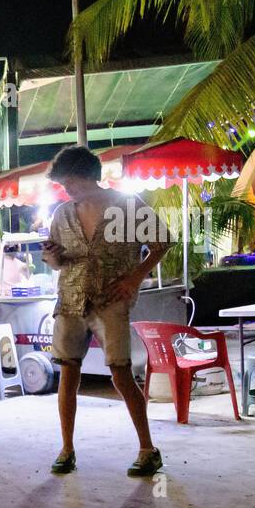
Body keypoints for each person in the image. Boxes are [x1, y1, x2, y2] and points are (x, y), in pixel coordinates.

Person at [40, 145, 172, 477]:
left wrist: (134, 278)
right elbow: (56, 263)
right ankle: (67, 448)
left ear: (86, 177)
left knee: (121, 373)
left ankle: (147, 449)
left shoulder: (126, 205)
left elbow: (162, 242)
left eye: (69, 182)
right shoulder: (62, 214)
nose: (66, 189)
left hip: (112, 299)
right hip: (69, 299)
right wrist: (52, 256)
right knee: (68, 373)